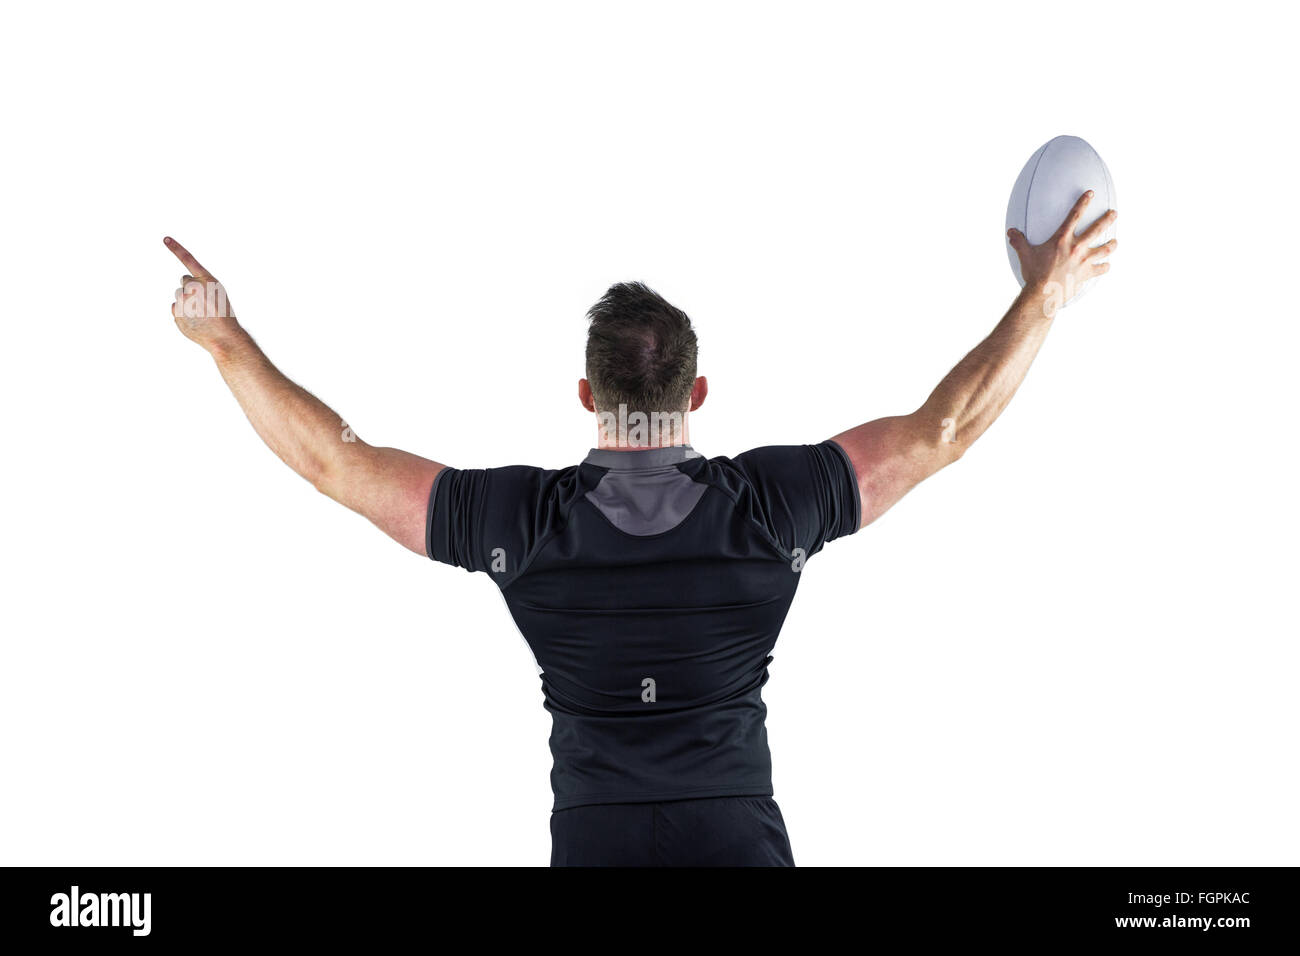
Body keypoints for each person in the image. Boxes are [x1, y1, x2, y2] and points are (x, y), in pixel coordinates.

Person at [164, 192, 1116, 866]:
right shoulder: (774, 505)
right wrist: (1044, 295)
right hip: (735, 835)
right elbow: (943, 432)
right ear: (697, 391)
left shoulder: (518, 523)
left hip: (597, 836)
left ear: (587, 395)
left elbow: (338, 461)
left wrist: (225, 341)